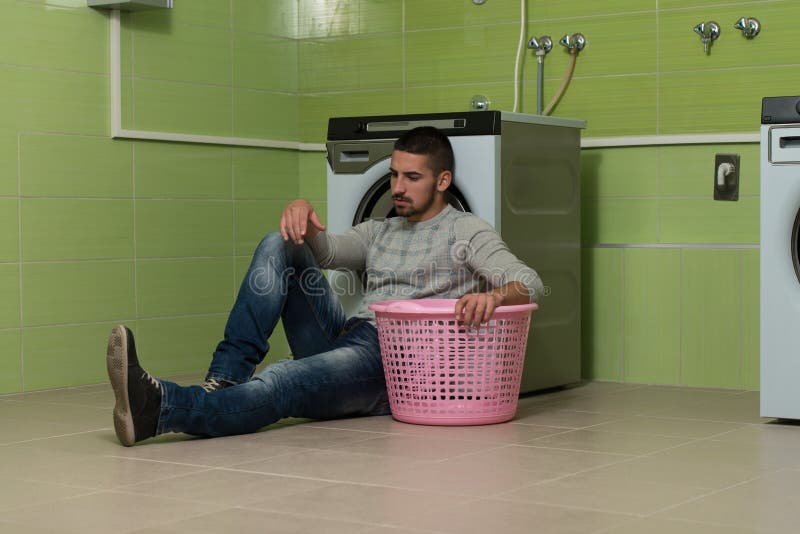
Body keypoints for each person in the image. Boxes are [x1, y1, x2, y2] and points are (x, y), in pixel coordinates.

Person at [106, 126, 544, 446]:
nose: (397, 188)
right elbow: (328, 251)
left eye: (413, 178)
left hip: (394, 364)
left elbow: (529, 281)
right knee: (281, 245)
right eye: (394, 175)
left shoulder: (467, 230)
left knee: (281, 379)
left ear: (442, 181)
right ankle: (223, 381)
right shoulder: (382, 229)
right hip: (349, 339)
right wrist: (301, 213)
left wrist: (494, 295)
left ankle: (161, 407)